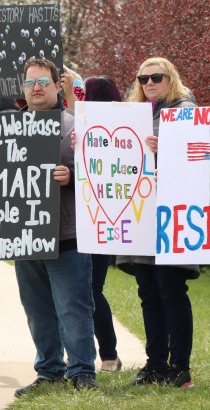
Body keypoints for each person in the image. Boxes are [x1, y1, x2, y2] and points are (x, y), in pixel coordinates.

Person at [12, 58, 98, 398]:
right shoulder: (7, 129)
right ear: (22, 88)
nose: (36, 88)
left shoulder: (77, 127)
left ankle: (82, 372)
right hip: (23, 236)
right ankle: (48, 371)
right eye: (31, 82)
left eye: (43, 82)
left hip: (67, 236)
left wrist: (73, 177)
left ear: (57, 86)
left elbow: (103, 177)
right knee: (37, 311)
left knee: (73, 307)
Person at [118, 58, 197, 388]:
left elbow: (201, 153)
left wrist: (168, 148)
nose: (149, 82)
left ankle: (180, 367)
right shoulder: (133, 114)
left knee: (171, 289)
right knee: (148, 292)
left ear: (171, 78)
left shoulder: (185, 109)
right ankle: (155, 365)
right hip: (140, 214)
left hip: (171, 213)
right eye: (143, 78)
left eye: (156, 77)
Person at [82, 75, 123, 372]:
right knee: (86, 291)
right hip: (93, 221)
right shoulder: (79, 126)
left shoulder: (120, 129)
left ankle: (108, 354)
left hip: (100, 220)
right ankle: (91, 352)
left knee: (91, 291)